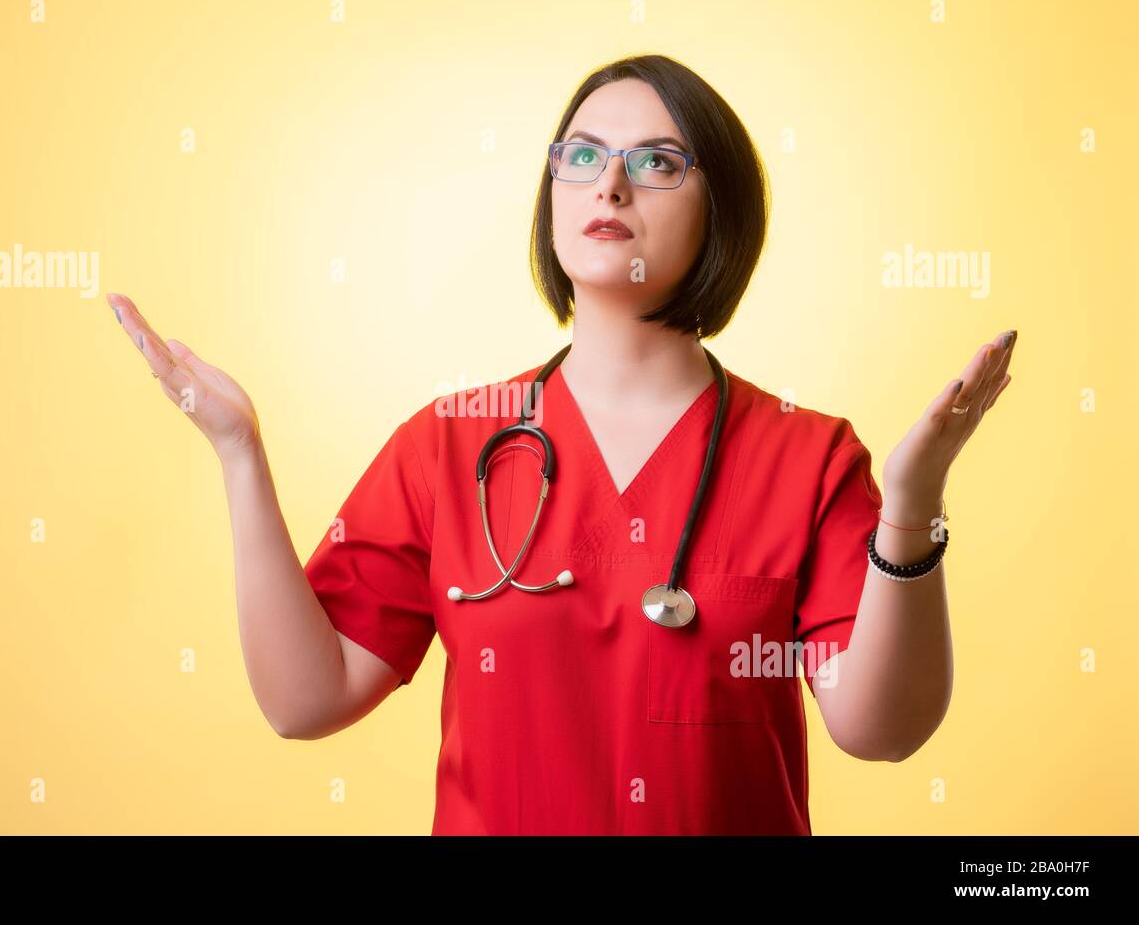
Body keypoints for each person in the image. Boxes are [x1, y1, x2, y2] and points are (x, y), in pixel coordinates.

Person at [105, 53, 1017, 835]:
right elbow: (306, 700)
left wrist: (911, 513)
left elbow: (880, 729)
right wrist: (237, 452)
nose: (610, 184)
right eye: (582, 156)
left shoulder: (808, 458)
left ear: (722, 210)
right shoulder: (449, 444)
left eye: (657, 162)